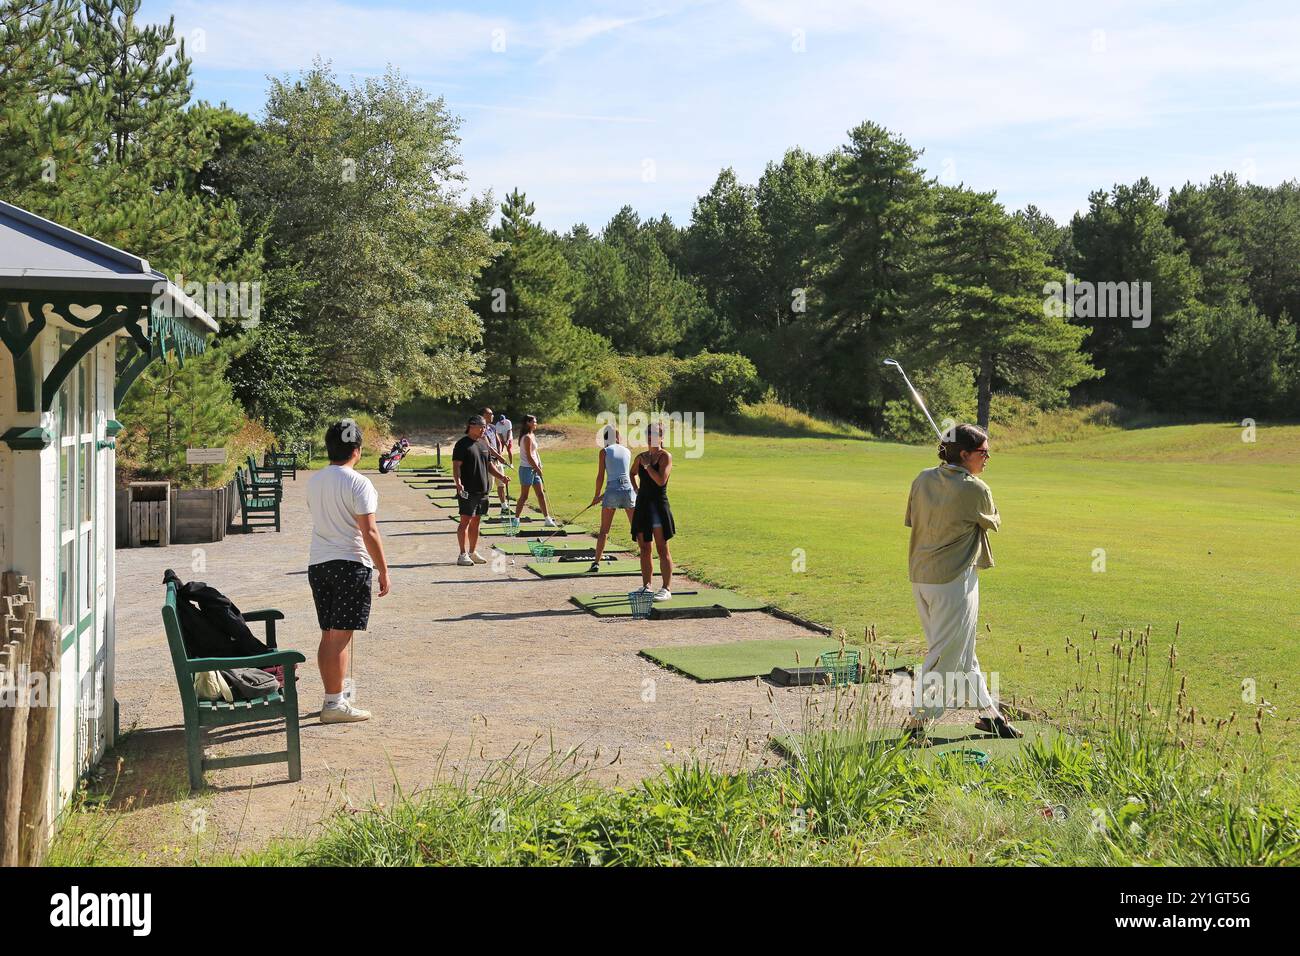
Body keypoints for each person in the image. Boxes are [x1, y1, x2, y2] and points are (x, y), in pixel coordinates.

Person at [902, 423, 1020, 741]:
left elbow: (912, 518)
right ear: (964, 453)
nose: (987, 458)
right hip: (954, 581)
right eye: (983, 452)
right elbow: (994, 520)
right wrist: (971, 484)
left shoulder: (922, 478)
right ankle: (916, 721)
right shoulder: (976, 488)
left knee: (964, 652)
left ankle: (991, 715)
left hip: (922, 578)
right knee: (945, 654)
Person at [305, 419, 390, 724]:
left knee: (328, 635)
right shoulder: (359, 483)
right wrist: (383, 569)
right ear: (357, 450)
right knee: (340, 638)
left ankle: (332, 698)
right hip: (350, 563)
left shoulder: (314, 481)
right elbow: (369, 531)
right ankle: (334, 704)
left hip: (319, 564)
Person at [453, 415, 508, 566]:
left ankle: (472, 551)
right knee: (465, 521)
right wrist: (458, 482)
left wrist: (501, 477)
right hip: (468, 489)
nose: (484, 429)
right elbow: (456, 466)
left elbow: (490, 466)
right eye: (481, 426)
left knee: (476, 521)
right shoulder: (462, 444)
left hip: (483, 490)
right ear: (471, 426)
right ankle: (462, 554)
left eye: (485, 427)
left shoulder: (484, 443)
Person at [629, 422, 674, 600]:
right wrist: (636, 490)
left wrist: (648, 467)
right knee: (644, 547)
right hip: (643, 506)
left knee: (662, 548)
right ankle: (647, 586)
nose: (651, 438)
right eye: (648, 435)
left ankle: (666, 588)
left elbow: (661, 481)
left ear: (661, 437)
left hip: (658, 507)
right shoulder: (641, 457)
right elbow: (632, 473)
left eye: (655, 435)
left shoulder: (665, 457)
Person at [587, 425, 636, 573]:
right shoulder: (628, 451)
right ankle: (646, 559)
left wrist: (597, 495)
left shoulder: (604, 452)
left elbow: (601, 476)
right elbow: (625, 475)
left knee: (604, 530)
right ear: (618, 437)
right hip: (628, 491)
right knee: (636, 529)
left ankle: (596, 563)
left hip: (612, 491)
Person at [515, 414, 558, 528]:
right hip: (526, 469)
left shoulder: (532, 435)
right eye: (534, 421)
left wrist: (540, 464)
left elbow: (535, 453)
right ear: (528, 423)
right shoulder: (527, 437)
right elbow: (528, 456)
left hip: (534, 468)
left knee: (540, 494)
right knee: (524, 496)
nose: (536, 423)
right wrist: (537, 468)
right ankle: (516, 519)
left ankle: (547, 519)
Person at [479, 406, 512, 514]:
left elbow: (498, 442)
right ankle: (483, 508)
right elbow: (488, 447)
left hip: (497, 460)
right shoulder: (481, 429)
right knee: (488, 486)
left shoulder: (493, 427)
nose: (492, 416)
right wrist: (499, 456)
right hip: (488, 461)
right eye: (490, 414)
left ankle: (504, 507)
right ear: (484, 416)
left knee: (502, 483)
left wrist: (500, 453)